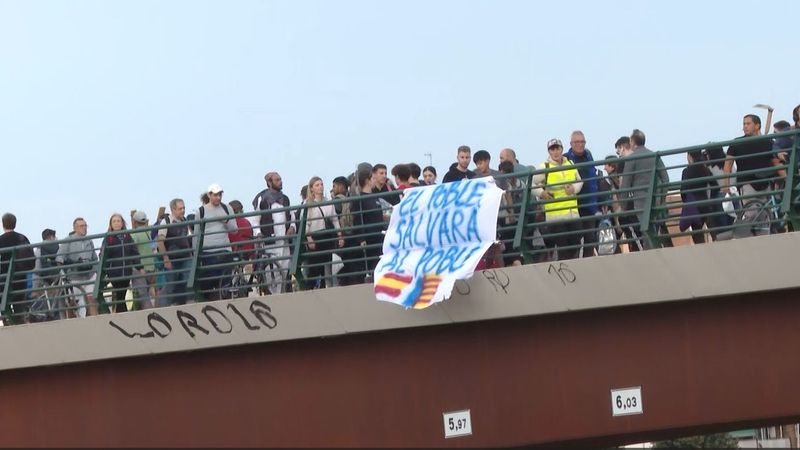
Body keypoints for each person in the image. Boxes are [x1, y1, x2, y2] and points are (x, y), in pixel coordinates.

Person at [722, 114, 784, 238]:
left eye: (748, 123)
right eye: (744, 124)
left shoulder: (767, 141)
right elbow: (728, 164)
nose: (745, 126)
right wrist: (726, 184)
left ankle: (761, 238)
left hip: (765, 182)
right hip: (747, 183)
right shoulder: (737, 143)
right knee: (751, 213)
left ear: (757, 126)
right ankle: (742, 236)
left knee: (764, 215)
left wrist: (785, 177)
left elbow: (775, 161)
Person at [532, 139, 583, 261]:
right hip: (556, 216)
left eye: (557, 148)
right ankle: (565, 271)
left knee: (576, 243)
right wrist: (542, 193)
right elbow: (532, 184)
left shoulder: (570, 163)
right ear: (549, 151)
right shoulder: (545, 166)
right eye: (552, 149)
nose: (555, 152)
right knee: (563, 247)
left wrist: (573, 189)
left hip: (573, 213)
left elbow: (579, 181)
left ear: (562, 149)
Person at [619, 129, 670, 249]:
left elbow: (625, 184)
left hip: (640, 202)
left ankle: (651, 257)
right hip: (655, 200)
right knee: (653, 230)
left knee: (646, 232)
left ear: (632, 141)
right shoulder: (654, 155)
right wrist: (661, 198)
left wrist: (623, 207)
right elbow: (666, 179)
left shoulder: (631, 158)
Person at [252, 172, 295, 295]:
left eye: (280, 179)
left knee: (284, 270)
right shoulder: (262, 199)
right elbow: (256, 220)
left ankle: (280, 294)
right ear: (269, 182)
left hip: (285, 242)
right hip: (271, 241)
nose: (280, 182)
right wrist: (258, 233)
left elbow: (292, 217)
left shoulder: (285, 198)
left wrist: (292, 227)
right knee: (272, 272)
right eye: (277, 180)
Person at [195, 184, 237, 301]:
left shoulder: (227, 208)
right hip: (208, 252)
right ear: (209, 195)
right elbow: (196, 234)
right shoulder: (201, 211)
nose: (218, 197)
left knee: (225, 283)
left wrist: (226, 220)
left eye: (220, 195)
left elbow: (234, 230)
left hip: (224, 250)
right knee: (208, 283)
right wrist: (195, 253)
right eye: (215, 195)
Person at [565, 131, 600, 257]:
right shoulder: (566, 159)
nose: (580, 144)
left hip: (590, 205)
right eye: (577, 142)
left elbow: (594, 179)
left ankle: (588, 265)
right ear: (571, 144)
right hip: (574, 205)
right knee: (574, 239)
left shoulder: (589, 156)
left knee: (590, 238)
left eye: (582, 142)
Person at [304, 177, 344, 289]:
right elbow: (306, 224)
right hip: (315, 237)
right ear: (311, 189)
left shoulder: (328, 203)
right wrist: (309, 239)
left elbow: (334, 219)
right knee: (315, 268)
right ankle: (311, 288)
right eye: (317, 185)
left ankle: (325, 287)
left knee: (327, 266)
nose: (320, 187)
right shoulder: (309, 204)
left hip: (326, 236)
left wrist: (340, 235)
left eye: (321, 184)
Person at [348, 170, 387, 283]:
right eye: (373, 178)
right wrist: (361, 238)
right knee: (372, 264)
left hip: (379, 236)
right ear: (368, 180)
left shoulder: (375, 197)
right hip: (369, 238)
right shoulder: (360, 199)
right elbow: (357, 220)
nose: (375, 181)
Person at [56, 217, 99, 317]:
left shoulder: (89, 241)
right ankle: (72, 324)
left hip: (89, 275)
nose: (84, 228)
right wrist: (68, 265)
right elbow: (59, 258)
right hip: (74, 276)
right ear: (75, 228)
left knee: (92, 299)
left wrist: (96, 272)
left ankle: (95, 321)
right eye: (81, 226)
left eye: (85, 226)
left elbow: (94, 258)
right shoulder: (68, 241)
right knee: (73, 302)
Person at [102, 213, 144, 313]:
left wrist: (140, 267)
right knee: (120, 294)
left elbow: (134, 252)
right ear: (111, 224)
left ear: (122, 223)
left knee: (122, 294)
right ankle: (122, 314)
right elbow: (103, 255)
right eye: (114, 221)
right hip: (114, 272)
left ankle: (120, 313)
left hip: (126, 271)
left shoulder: (127, 236)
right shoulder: (108, 238)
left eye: (118, 221)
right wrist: (105, 271)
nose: (116, 223)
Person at [0, 213, 36, 323]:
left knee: (4, 304)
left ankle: (8, 324)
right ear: (15, 223)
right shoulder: (22, 238)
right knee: (19, 305)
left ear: (3, 224)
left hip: (4, 278)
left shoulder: (1, 240)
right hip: (20, 277)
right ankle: (19, 325)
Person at [156, 198, 192, 306]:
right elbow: (160, 241)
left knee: (187, 280)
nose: (183, 211)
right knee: (171, 284)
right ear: (173, 209)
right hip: (172, 258)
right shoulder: (166, 222)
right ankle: (167, 306)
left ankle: (184, 303)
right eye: (180, 209)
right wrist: (166, 259)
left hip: (185, 257)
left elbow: (188, 238)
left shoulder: (185, 221)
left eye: (183, 208)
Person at [679, 149, 718, 244]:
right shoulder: (704, 169)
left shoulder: (686, 171)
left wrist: (687, 202)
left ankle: (703, 253)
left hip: (694, 206)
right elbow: (715, 186)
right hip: (705, 203)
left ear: (689, 156)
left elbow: (683, 191)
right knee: (714, 233)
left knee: (698, 236)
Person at [130, 210, 157, 310]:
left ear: (134, 222)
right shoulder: (150, 232)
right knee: (154, 292)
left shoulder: (134, 234)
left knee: (144, 296)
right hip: (152, 268)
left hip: (140, 269)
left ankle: (150, 314)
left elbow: (132, 250)